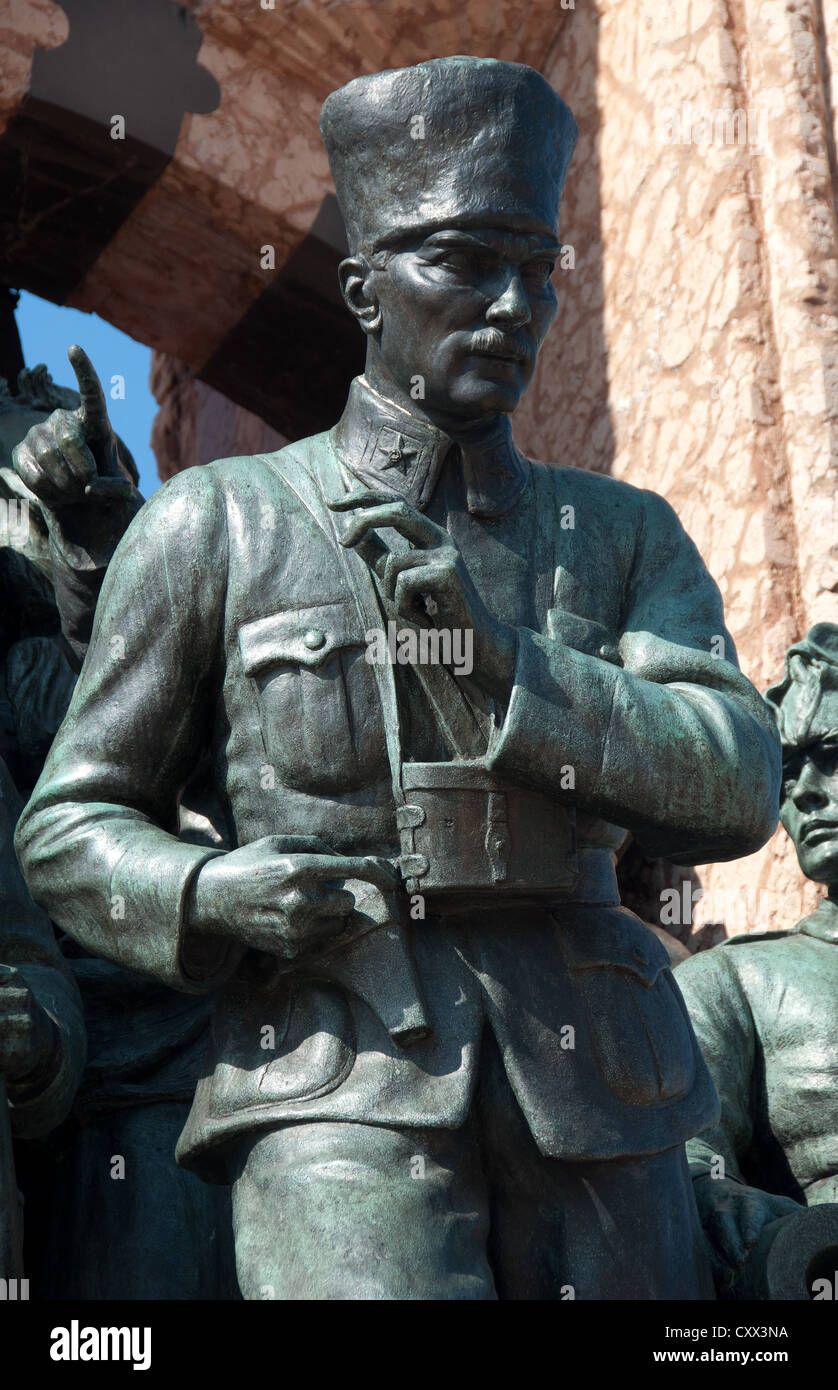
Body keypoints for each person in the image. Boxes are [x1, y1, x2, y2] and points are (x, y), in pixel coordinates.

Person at [16, 58, 781, 1300]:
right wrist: (209, 890)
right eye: (465, 264)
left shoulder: (624, 531)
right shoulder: (223, 521)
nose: (513, 304)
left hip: (607, 1107)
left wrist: (505, 663)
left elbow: (738, 779)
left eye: (535, 269)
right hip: (333, 1090)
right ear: (366, 291)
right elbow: (70, 824)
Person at [677, 624, 838, 1297]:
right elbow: (687, 1158)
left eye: (830, 755)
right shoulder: (732, 982)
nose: (800, 792)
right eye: (787, 766)